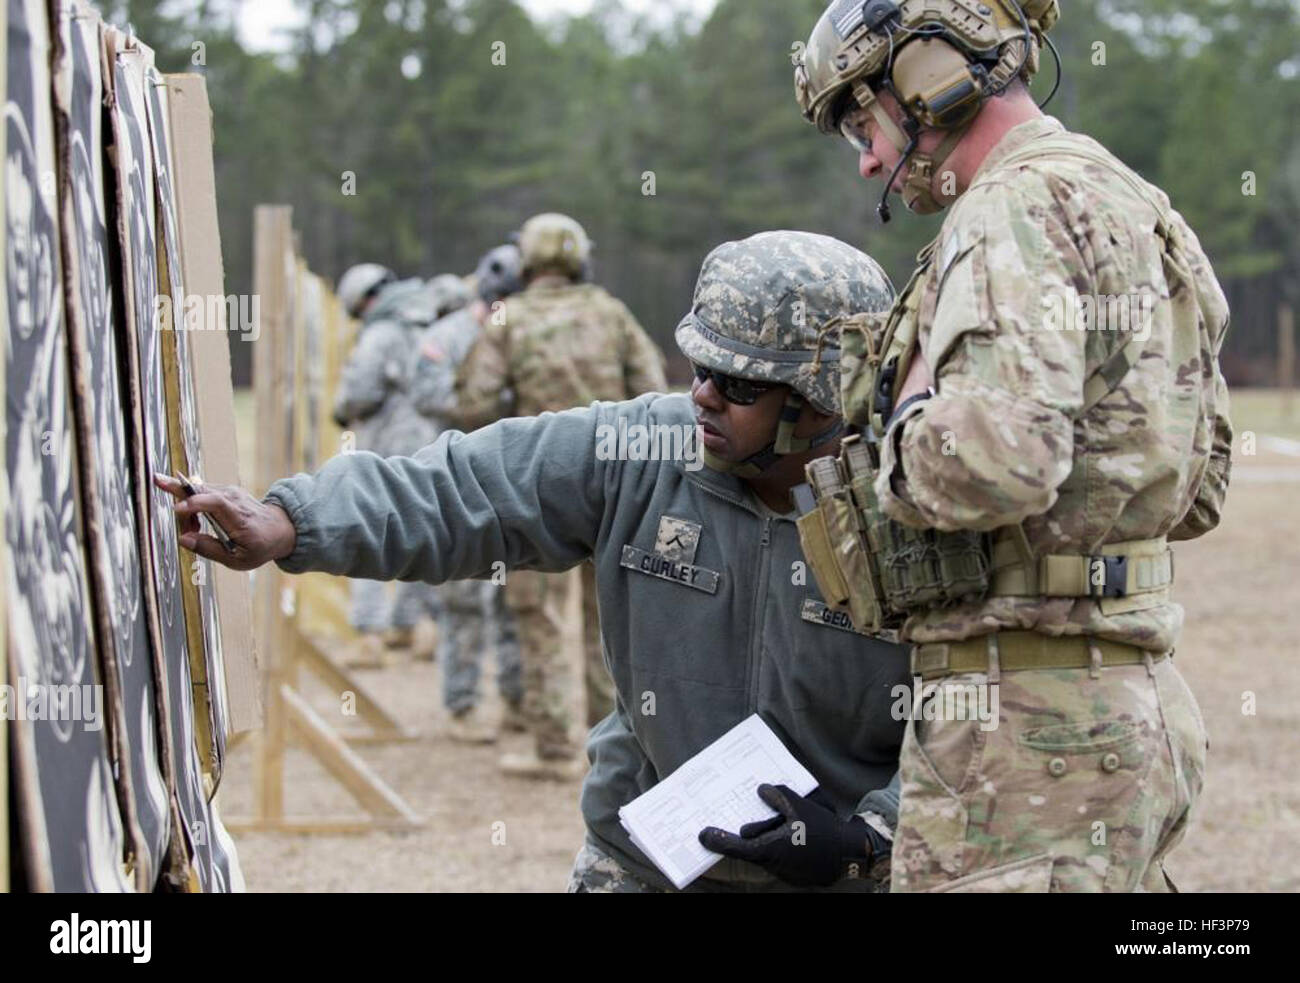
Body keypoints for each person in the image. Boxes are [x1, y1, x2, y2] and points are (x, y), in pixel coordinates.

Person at [156, 230, 909, 893]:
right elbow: (467, 488)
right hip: (645, 864)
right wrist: (290, 522)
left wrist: (873, 837)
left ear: (820, 400)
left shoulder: (921, 506)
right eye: (698, 366)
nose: (702, 396)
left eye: (738, 384)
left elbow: (992, 704)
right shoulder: (645, 449)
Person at [792, 0, 1229, 891]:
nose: (870, 159)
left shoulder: (1004, 212)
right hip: (1128, 706)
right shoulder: (1139, 207)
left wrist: (906, 408)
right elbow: (1206, 481)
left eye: (861, 125)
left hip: (1025, 736)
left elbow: (992, 465)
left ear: (924, 84)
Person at [453, 213, 668, 780]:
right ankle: (616, 745)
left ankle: (552, 749)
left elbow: (473, 402)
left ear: (526, 260)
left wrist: (517, 427)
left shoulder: (506, 316)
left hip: (536, 489)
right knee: (612, 621)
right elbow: (654, 393)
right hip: (617, 489)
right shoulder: (612, 313)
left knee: (540, 618)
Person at [410, 251, 525, 742]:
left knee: (514, 601)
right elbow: (427, 393)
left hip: (516, 479)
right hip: (458, 477)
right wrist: (486, 402)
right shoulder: (446, 336)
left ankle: (518, 703)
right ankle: (462, 706)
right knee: (462, 600)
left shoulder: (527, 329)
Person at [333, 263, 441, 662]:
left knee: (369, 529)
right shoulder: (428, 326)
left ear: (364, 300)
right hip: (429, 444)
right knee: (422, 530)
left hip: (385, 446)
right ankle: (417, 626)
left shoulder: (379, 334)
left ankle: (370, 635)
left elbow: (360, 389)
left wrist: (342, 411)